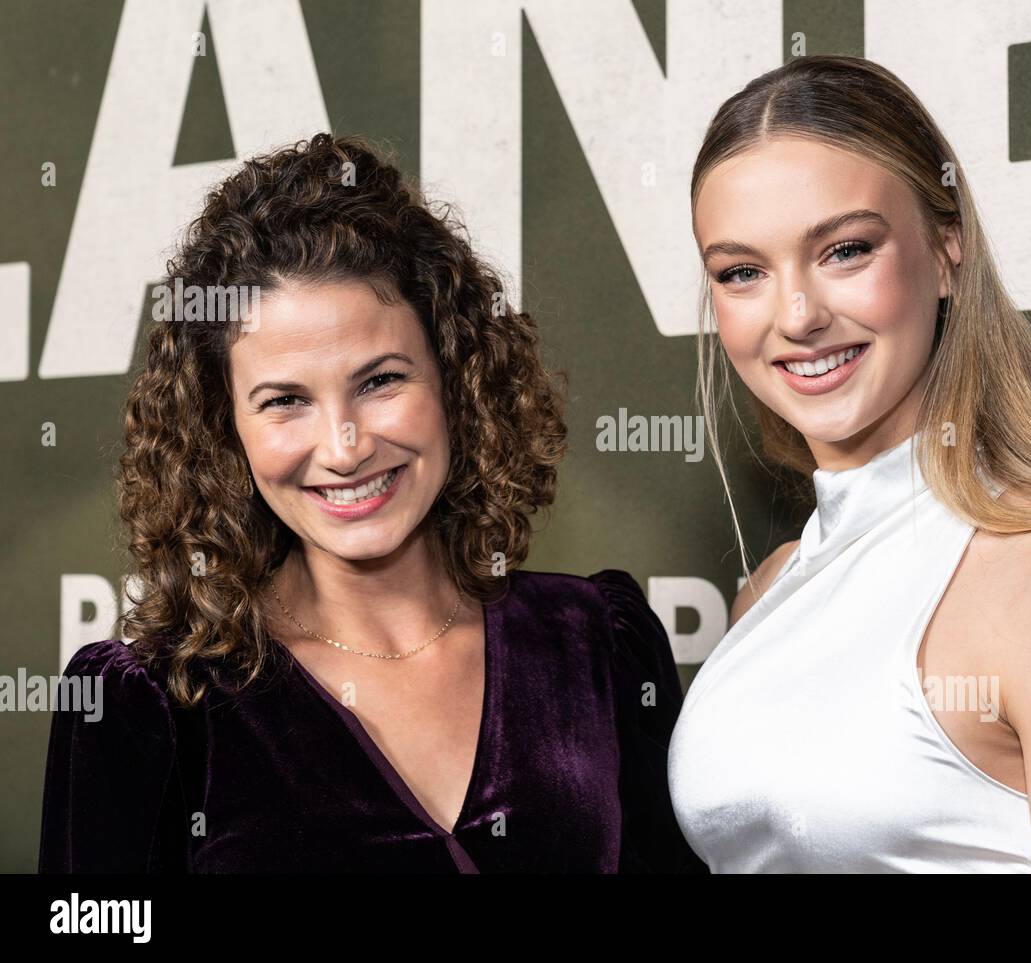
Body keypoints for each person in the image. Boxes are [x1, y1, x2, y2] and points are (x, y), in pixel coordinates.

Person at [38, 133, 705, 874]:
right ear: (225, 428)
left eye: (381, 380)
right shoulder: (156, 707)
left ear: (454, 378)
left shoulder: (597, 645)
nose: (345, 445)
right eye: (285, 400)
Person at [668, 55, 1031, 873]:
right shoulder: (767, 592)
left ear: (947, 243)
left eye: (845, 251)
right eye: (742, 272)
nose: (797, 315)